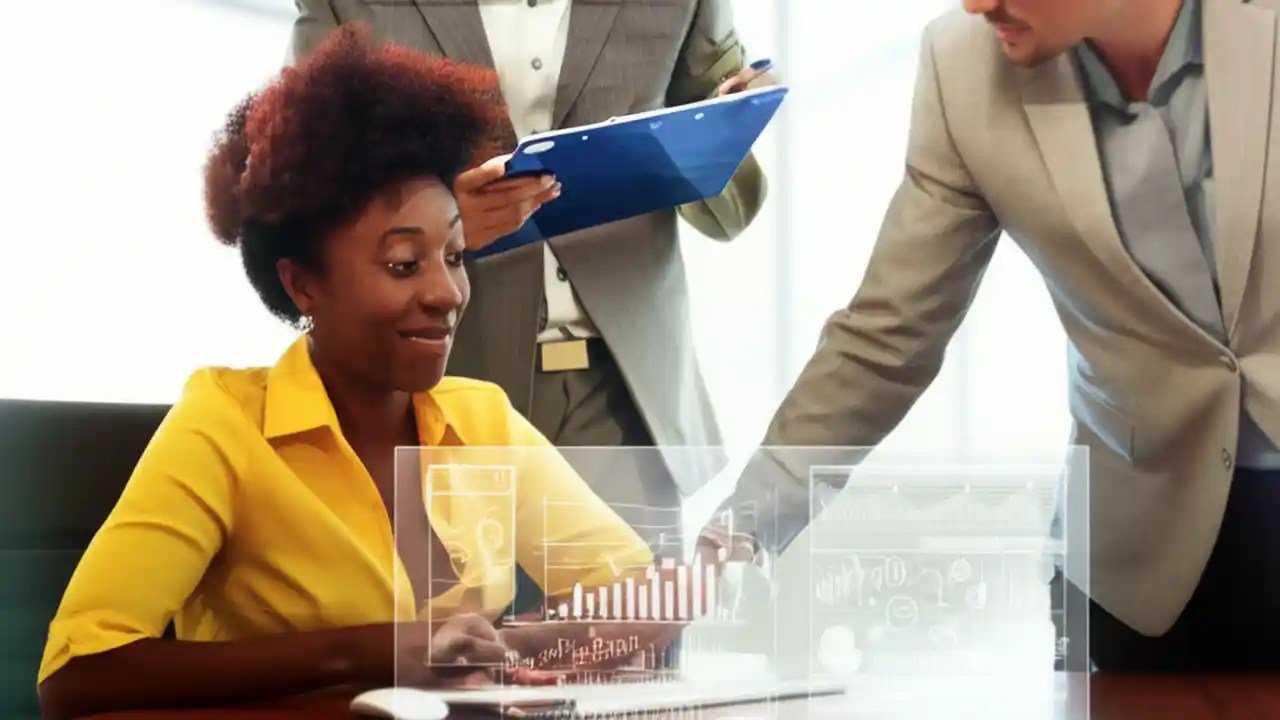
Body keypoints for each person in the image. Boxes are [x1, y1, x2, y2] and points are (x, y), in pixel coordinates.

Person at [35, 26, 655, 719]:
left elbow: (639, 596)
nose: (447, 292)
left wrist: (508, 652)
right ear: (303, 286)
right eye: (402, 264)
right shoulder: (225, 423)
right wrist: (378, 654)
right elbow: (77, 676)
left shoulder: (480, 418)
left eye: (453, 255)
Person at [707, 0, 1280, 673]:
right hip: (1140, 562)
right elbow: (886, 339)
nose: (977, 3)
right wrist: (723, 548)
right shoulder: (963, 66)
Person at [287, 1, 773, 558]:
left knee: (629, 633)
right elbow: (301, 194)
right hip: (435, 390)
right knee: (446, 640)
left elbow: (729, 193)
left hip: (623, 399)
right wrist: (436, 231)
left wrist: (732, 125)